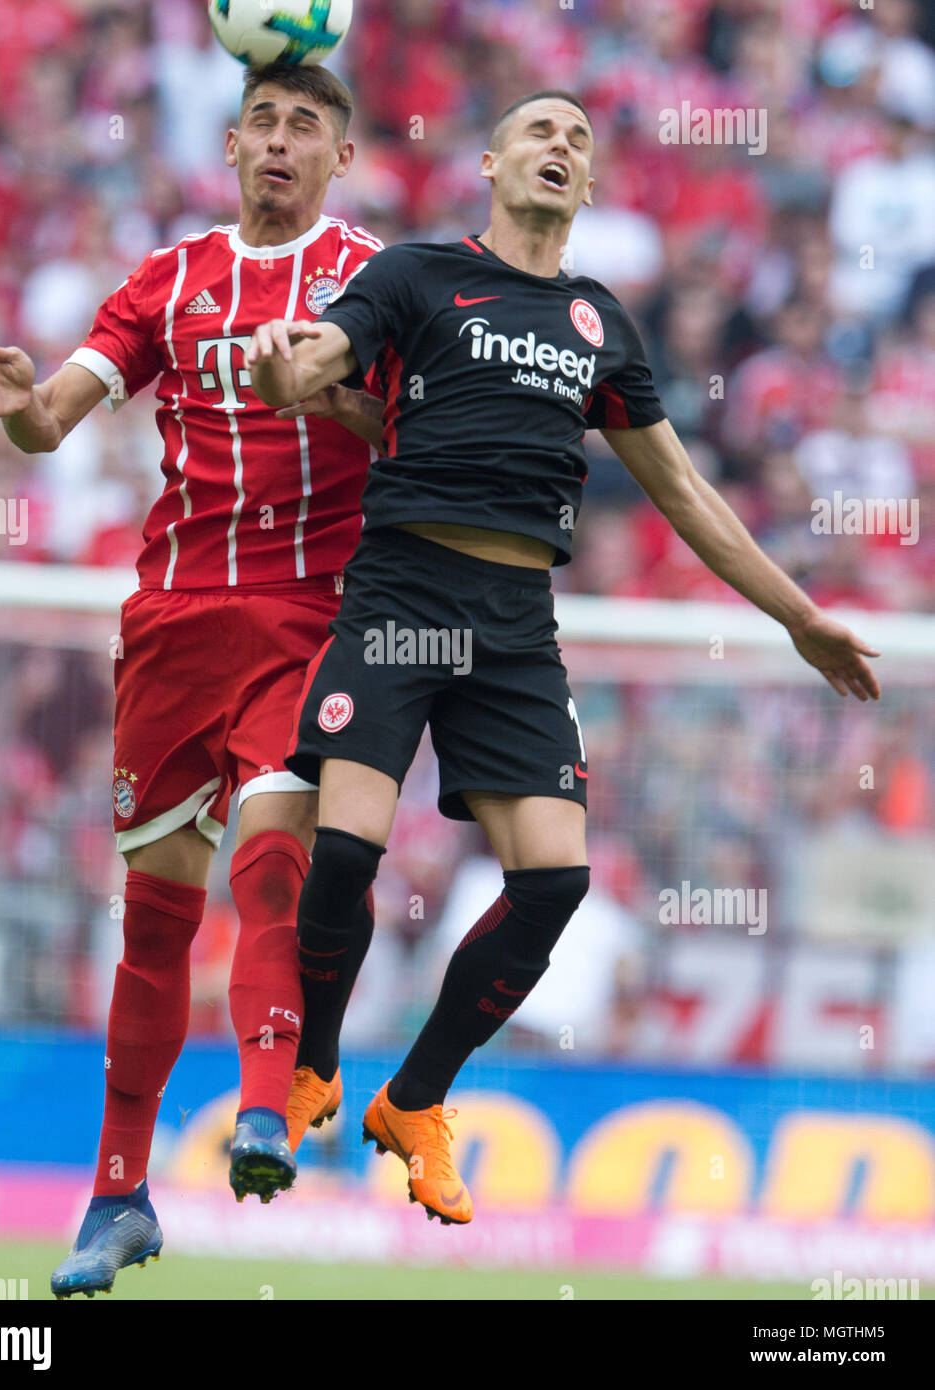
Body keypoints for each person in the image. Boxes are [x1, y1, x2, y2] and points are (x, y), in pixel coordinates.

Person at [247, 90, 881, 1225]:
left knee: (554, 880)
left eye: (581, 141)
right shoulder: (418, 276)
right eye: (541, 131)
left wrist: (797, 615)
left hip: (515, 618)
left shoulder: (601, 325)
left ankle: (417, 1099)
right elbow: (319, 361)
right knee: (344, 847)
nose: (562, 146)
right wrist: (282, 362)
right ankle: (316, 1066)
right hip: (402, 590)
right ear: (491, 162)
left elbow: (683, 491)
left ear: (588, 189)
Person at [0, 63, 386, 1296]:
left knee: (271, 855)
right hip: (172, 622)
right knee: (155, 917)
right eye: (261, 121)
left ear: (340, 157)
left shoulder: (376, 280)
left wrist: (322, 384)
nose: (279, 141)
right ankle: (116, 1197)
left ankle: (263, 1111)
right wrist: (22, 414)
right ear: (229, 142)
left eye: (305, 125)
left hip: (313, 615)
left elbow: (409, 431)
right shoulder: (169, 277)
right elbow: (62, 410)